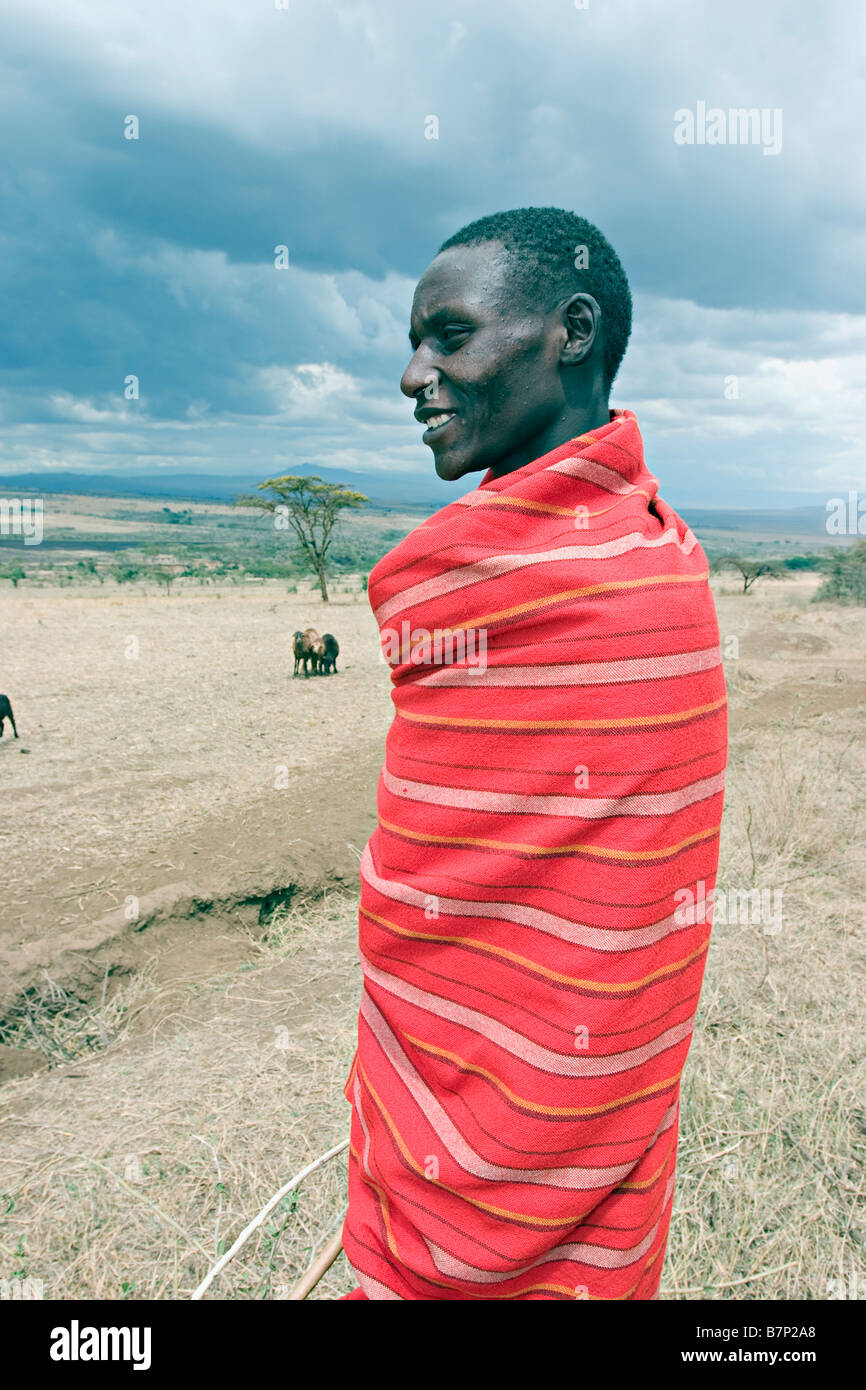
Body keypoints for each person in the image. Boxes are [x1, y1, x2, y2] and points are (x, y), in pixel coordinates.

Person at [339, 206, 727, 1300]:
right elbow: (431, 892)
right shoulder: (664, 553)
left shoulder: (582, 581)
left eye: (448, 336)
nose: (412, 375)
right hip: (569, 1146)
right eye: (413, 345)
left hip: (510, 1137)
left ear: (571, 329)